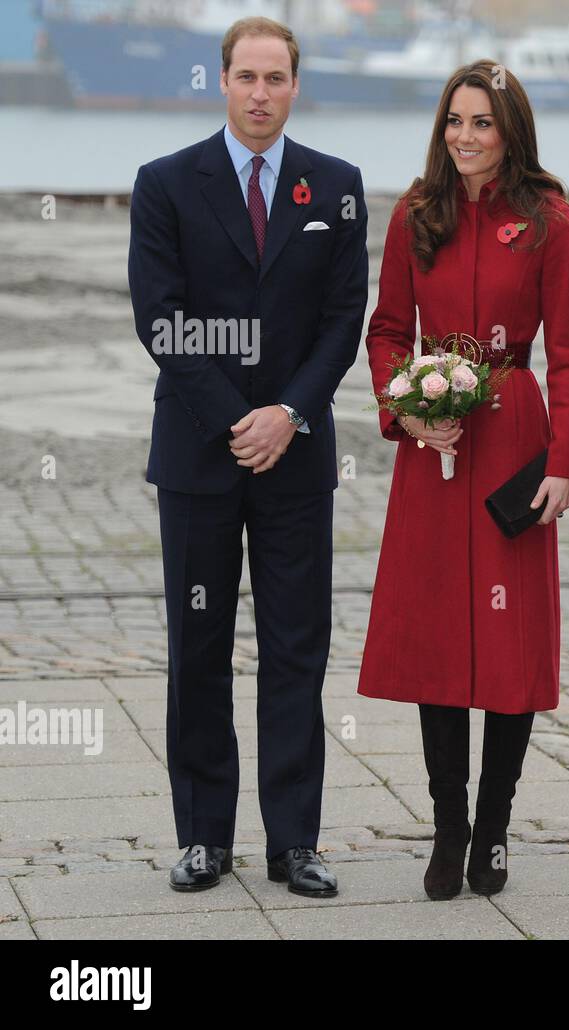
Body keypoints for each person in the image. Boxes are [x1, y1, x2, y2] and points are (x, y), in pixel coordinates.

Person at [127, 17, 368, 896]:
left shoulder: (335, 186)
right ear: (221, 82)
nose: (261, 93)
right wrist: (239, 420)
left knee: (297, 649)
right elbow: (160, 314)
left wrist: (289, 415)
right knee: (198, 645)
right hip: (198, 454)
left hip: (297, 461)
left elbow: (345, 320)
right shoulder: (165, 184)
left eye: (277, 78)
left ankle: (294, 842)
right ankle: (202, 838)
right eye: (246, 77)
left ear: (296, 86)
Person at [357, 60, 569, 901]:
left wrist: (568, 462)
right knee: (436, 639)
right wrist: (405, 410)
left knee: (507, 640)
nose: (466, 136)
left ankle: (493, 828)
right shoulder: (416, 214)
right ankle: (447, 826)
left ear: (511, 130)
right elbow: (387, 331)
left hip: (513, 443)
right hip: (434, 447)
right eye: (456, 120)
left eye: (483, 122)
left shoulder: (548, 222)